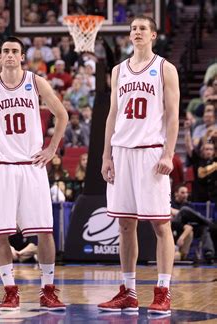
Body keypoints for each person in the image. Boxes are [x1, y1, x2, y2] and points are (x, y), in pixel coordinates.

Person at [0, 36, 69, 311]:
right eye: (5, 51)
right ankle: (10, 290)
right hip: (2, 167)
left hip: (32, 166)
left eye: (14, 51)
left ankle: (48, 289)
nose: (9, 55)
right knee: (0, 234)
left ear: (22, 56)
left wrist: (52, 148)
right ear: (0, 56)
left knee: (45, 232)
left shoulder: (36, 82)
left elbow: (61, 114)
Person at [99, 16, 180, 315]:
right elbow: (112, 115)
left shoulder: (165, 68)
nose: (136, 32)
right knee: (124, 224)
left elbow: (173, 115)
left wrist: (168, 153)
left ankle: (163, 291)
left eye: (142, 29)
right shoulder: (118, 70)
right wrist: (106, 155)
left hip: (150, 152)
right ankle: (128, 291)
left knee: (160, 224)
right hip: (121, 151)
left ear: (154, 35)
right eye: (133, 29)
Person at [171, 184, 215, 263]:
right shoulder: (171, 203)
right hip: (176, 227)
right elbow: (170, 211)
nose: (185, 195)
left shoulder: (189, 205)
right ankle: (210, 222)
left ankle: (209, 253)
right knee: (184, 210)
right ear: (176, 193)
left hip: (188, 228)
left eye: (186, 193)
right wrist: (182, 212)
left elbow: (194, 220)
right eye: (182, 193)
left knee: (204, 227)